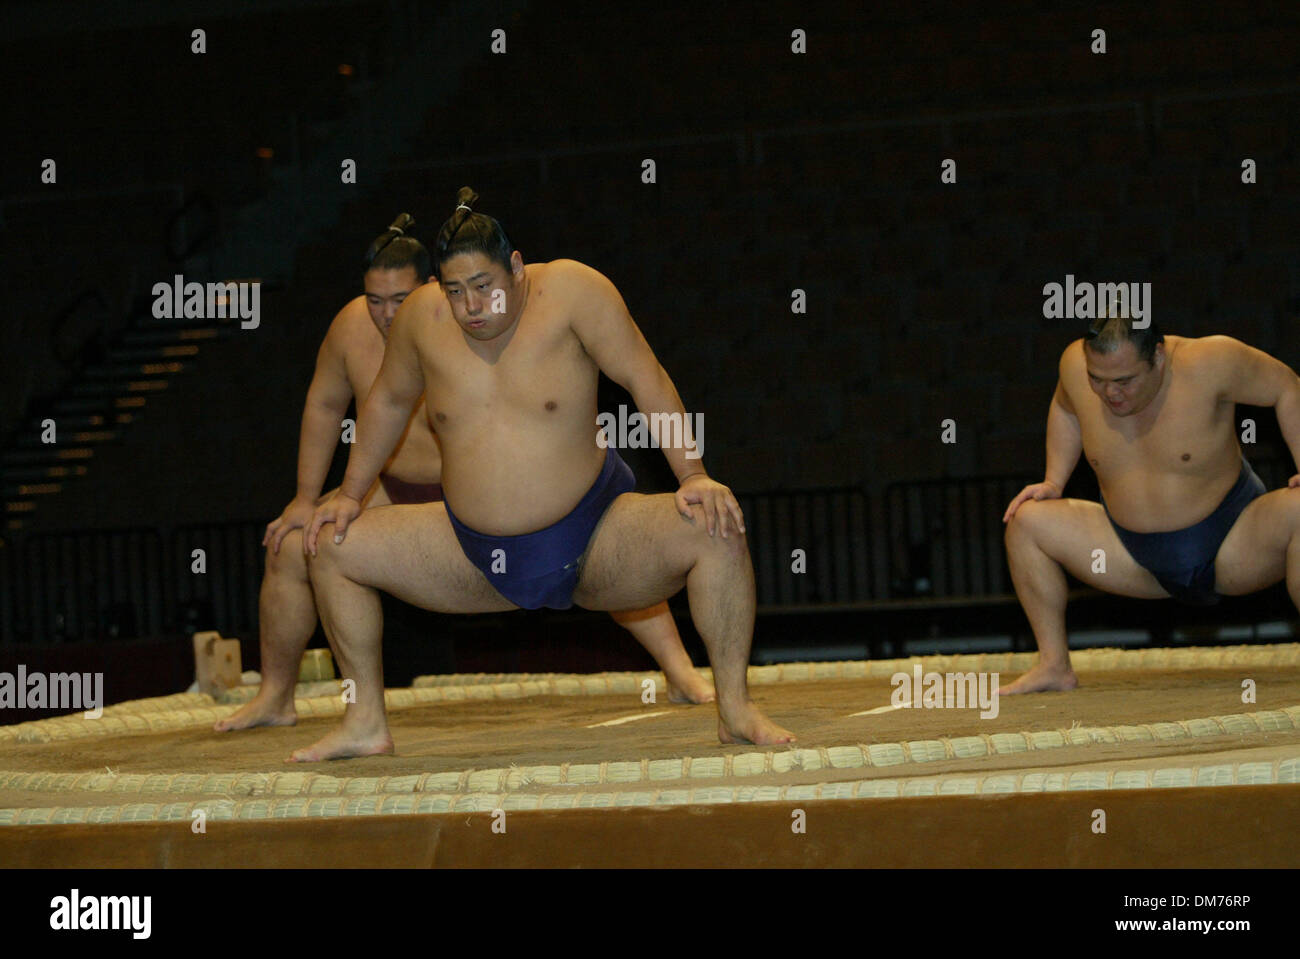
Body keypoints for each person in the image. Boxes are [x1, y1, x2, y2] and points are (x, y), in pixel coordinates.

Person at [297, 187, 795, 761]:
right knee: (328, 544)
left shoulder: (576, 291)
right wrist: (351, 494)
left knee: (717, 526)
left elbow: (645, 377)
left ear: (516, 268)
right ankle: (364, 723)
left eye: (484, 288)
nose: (472, 308)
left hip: (594, 537)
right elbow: (383, 404)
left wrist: (693, 474)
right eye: (455, 292)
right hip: (469, 553)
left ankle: (734, 708)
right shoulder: (420, 319)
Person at [216, 214, 711, 733]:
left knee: (603, 560)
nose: (388, 313)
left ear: (426, 287)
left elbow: (635, 377)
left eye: (399, 298)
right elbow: (325, 407)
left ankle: (678, 670)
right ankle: (280, 694)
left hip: (512, 487)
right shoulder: (354, 329)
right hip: (394, 487)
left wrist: (690, 472)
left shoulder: (478, 318)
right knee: (302, 543)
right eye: (375, 300)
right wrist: (308, 496)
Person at [1002, 314, 1300, 693]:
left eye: (1125, 381)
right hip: (1133, 556)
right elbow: (1065, 407)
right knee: (1025, 519)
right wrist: (1053, 480)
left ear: (1158, 357)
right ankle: (1053, 665)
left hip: (1236, 544)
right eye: (1099, 380)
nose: (1110, 394)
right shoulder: (1075, 365)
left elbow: (1287, 387)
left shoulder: (1212, 361)